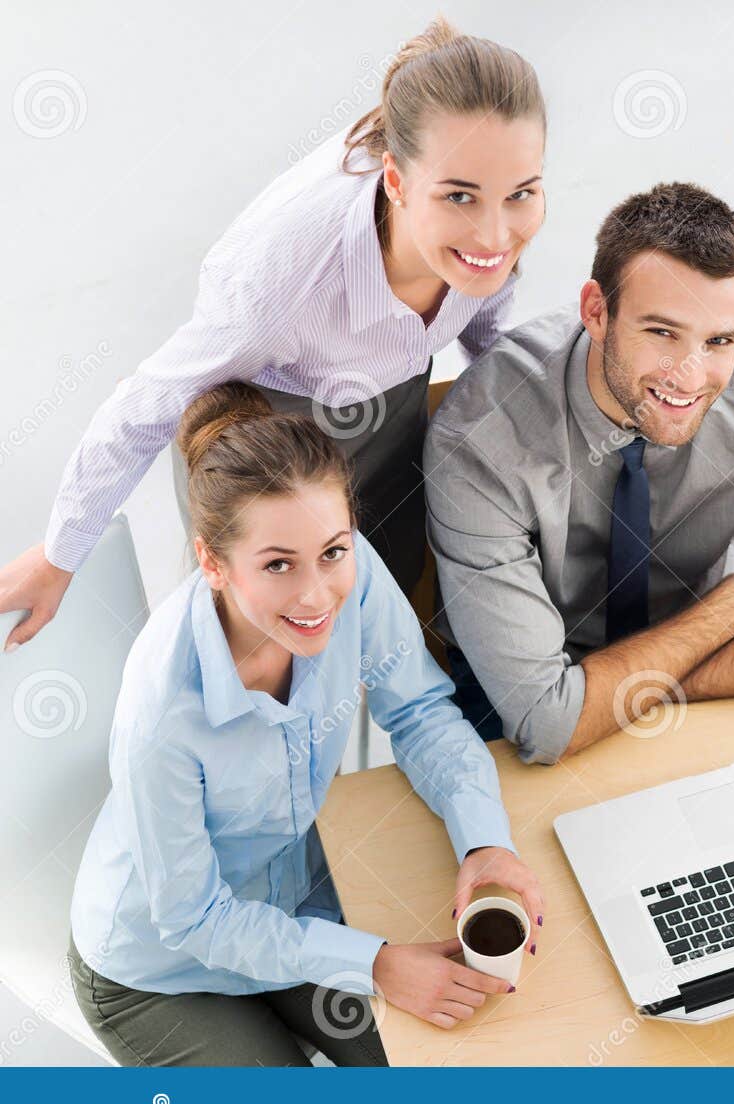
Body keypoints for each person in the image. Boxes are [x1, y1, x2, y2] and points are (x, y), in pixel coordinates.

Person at [0, 17, 547, 646]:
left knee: (385, 624)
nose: (496, 235)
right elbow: (144, 406)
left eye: (522, 194)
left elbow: (486, 317)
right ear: (396, 182)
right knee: (273, 641)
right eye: (459, 197)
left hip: (388, 408)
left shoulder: (492, 227)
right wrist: (60, 557)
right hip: (265, 428)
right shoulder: (279, 280)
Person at [68, 384, 544, 1066]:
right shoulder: (161, 712)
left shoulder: (352, 573)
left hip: (294, 902)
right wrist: (376, 963)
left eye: (332, 550)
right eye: (277, 565)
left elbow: (418, 712)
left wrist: (484, 843)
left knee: (440, 1070)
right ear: (212, 562)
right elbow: (196, 919)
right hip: (159, 968)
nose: (317, 594)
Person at [425, 182, 734, 765]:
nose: (690, 377)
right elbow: (546, 721)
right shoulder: (482, 435)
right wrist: (733, 608)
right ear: (596, 311)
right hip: (542, 672)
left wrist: (636, 693)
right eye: (662, 333)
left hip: (706, 659)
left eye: (719, 340)